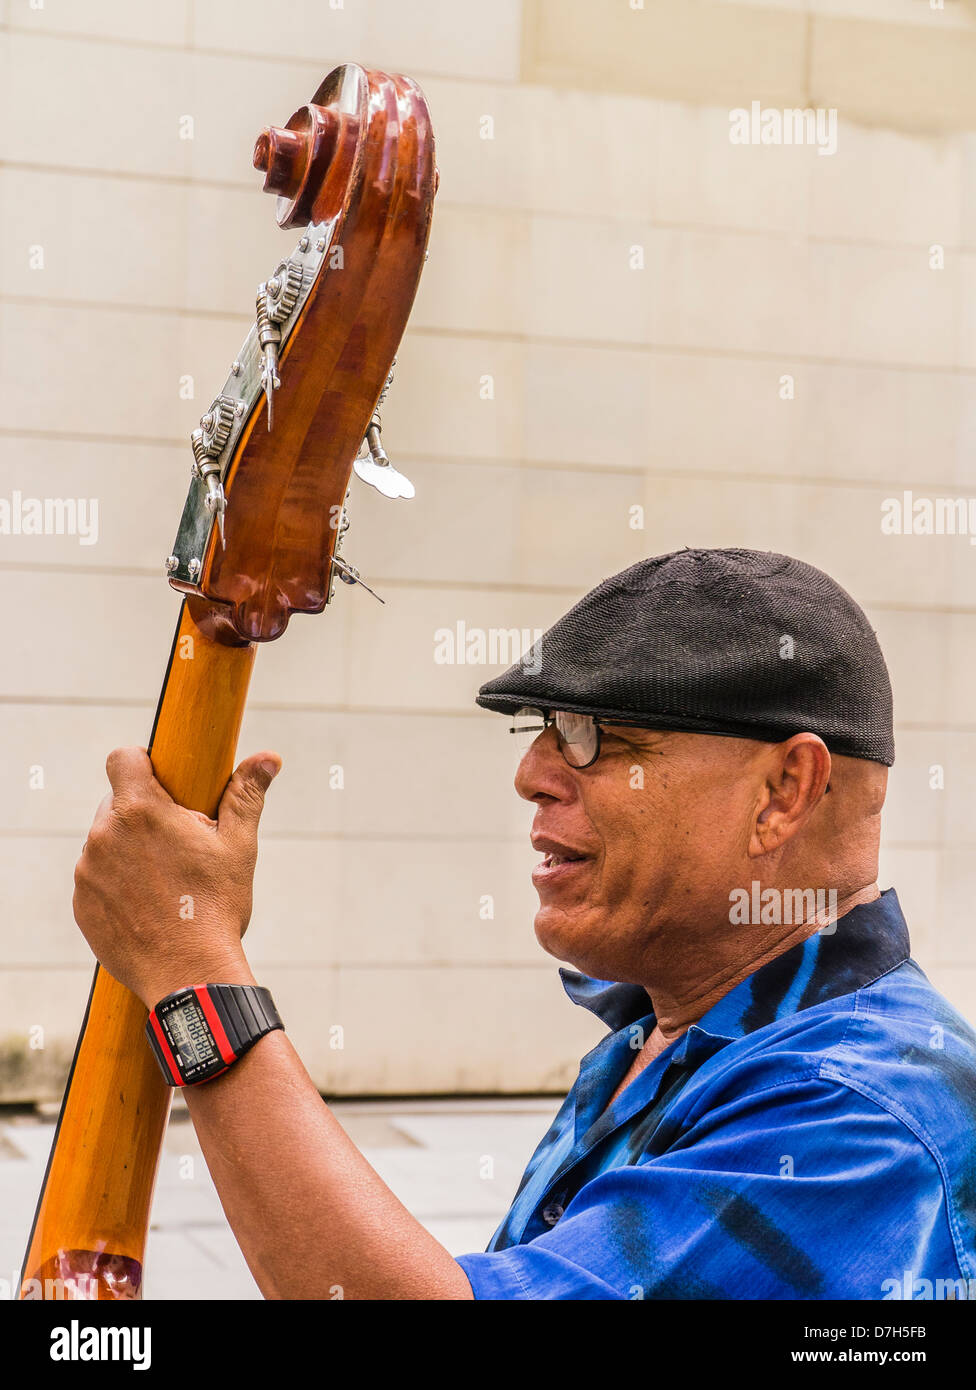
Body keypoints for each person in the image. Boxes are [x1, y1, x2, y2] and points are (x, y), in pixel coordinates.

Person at [72, 548, 976, 1299]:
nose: (535, 774)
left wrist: (197, 976)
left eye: (594, 736)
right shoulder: (670, 1034)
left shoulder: (857, 1113)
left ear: (785, 791)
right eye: (543, 728)